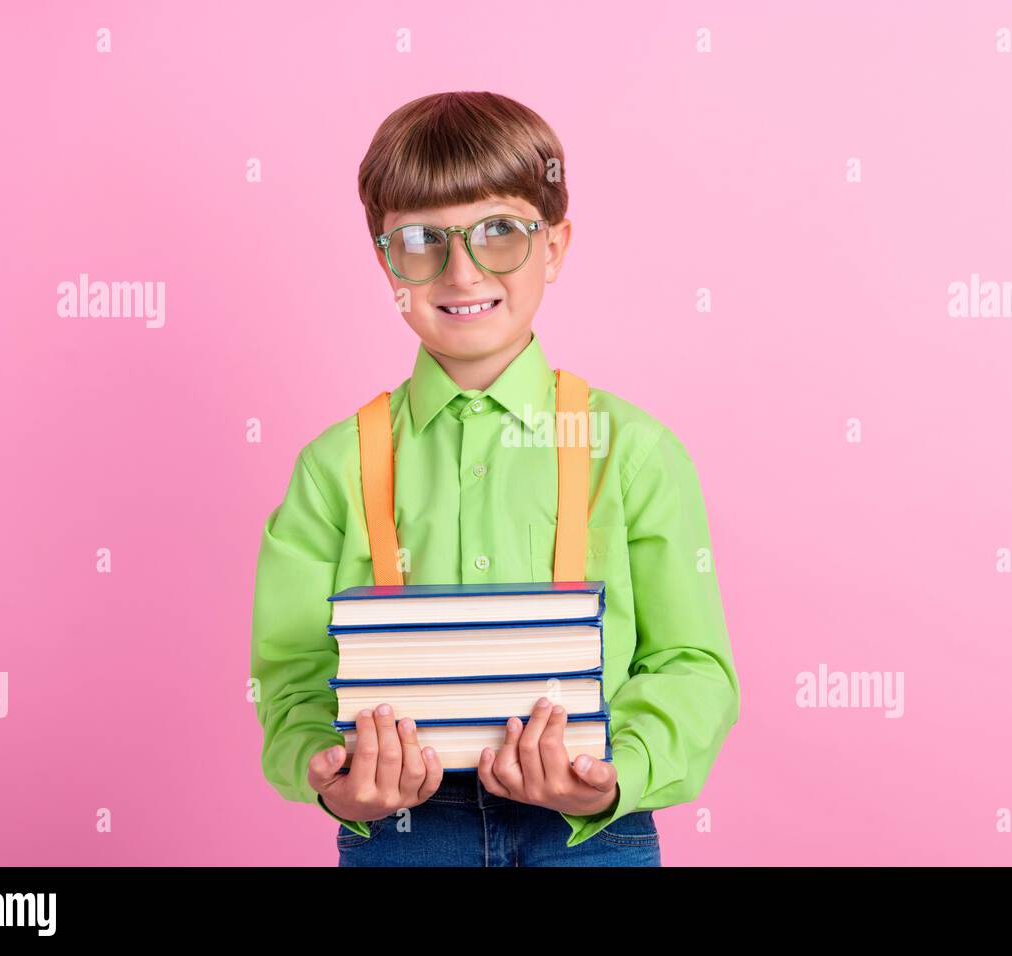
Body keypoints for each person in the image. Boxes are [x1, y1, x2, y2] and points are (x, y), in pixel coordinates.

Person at [250, 91, 739, 866]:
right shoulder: (333, 467)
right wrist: (328, 773)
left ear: (554, 246)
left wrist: (620, 774)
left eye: (499, 232)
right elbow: (291, 673)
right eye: (421, 240)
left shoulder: (635, 452)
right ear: (386, 261)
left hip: (590, 831)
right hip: (404, 830)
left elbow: (692, 663)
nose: (461, 269)